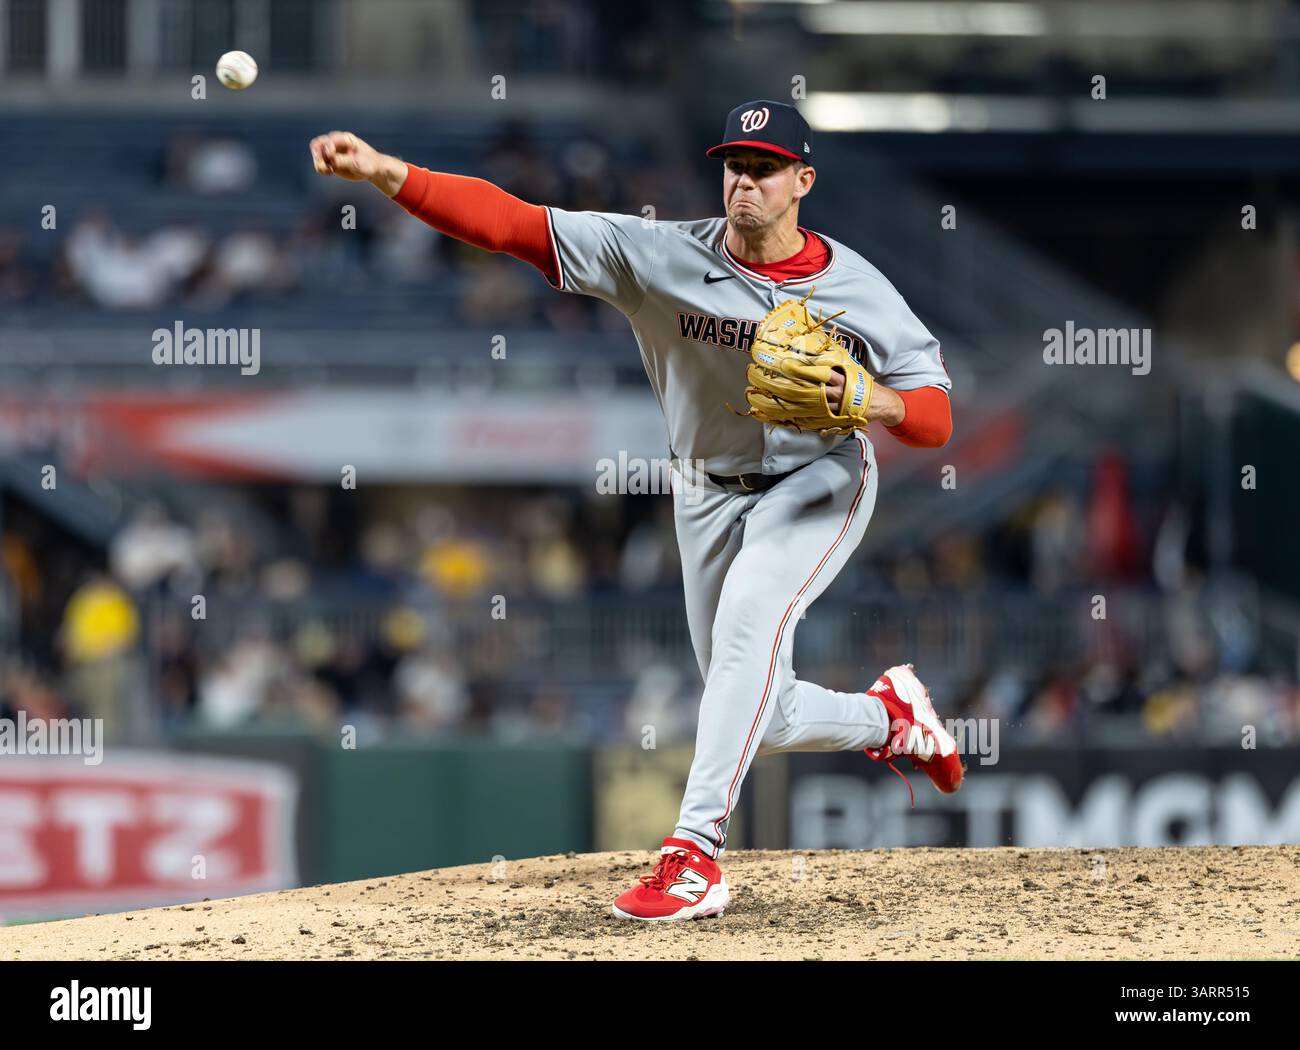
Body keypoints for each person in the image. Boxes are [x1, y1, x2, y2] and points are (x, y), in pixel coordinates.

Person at [309, 100, 964, 922]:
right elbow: (512, 224)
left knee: (747, 635)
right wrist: (385, 174)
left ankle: (694, 857)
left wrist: (878, 402)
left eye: (764, 169)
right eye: (734, 165)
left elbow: (937, 416)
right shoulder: (656, 255)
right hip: (704, 489)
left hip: (818, 478)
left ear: (803, 181)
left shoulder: (857, 288)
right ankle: (889, 717)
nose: (744, 183)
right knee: (759, 699)